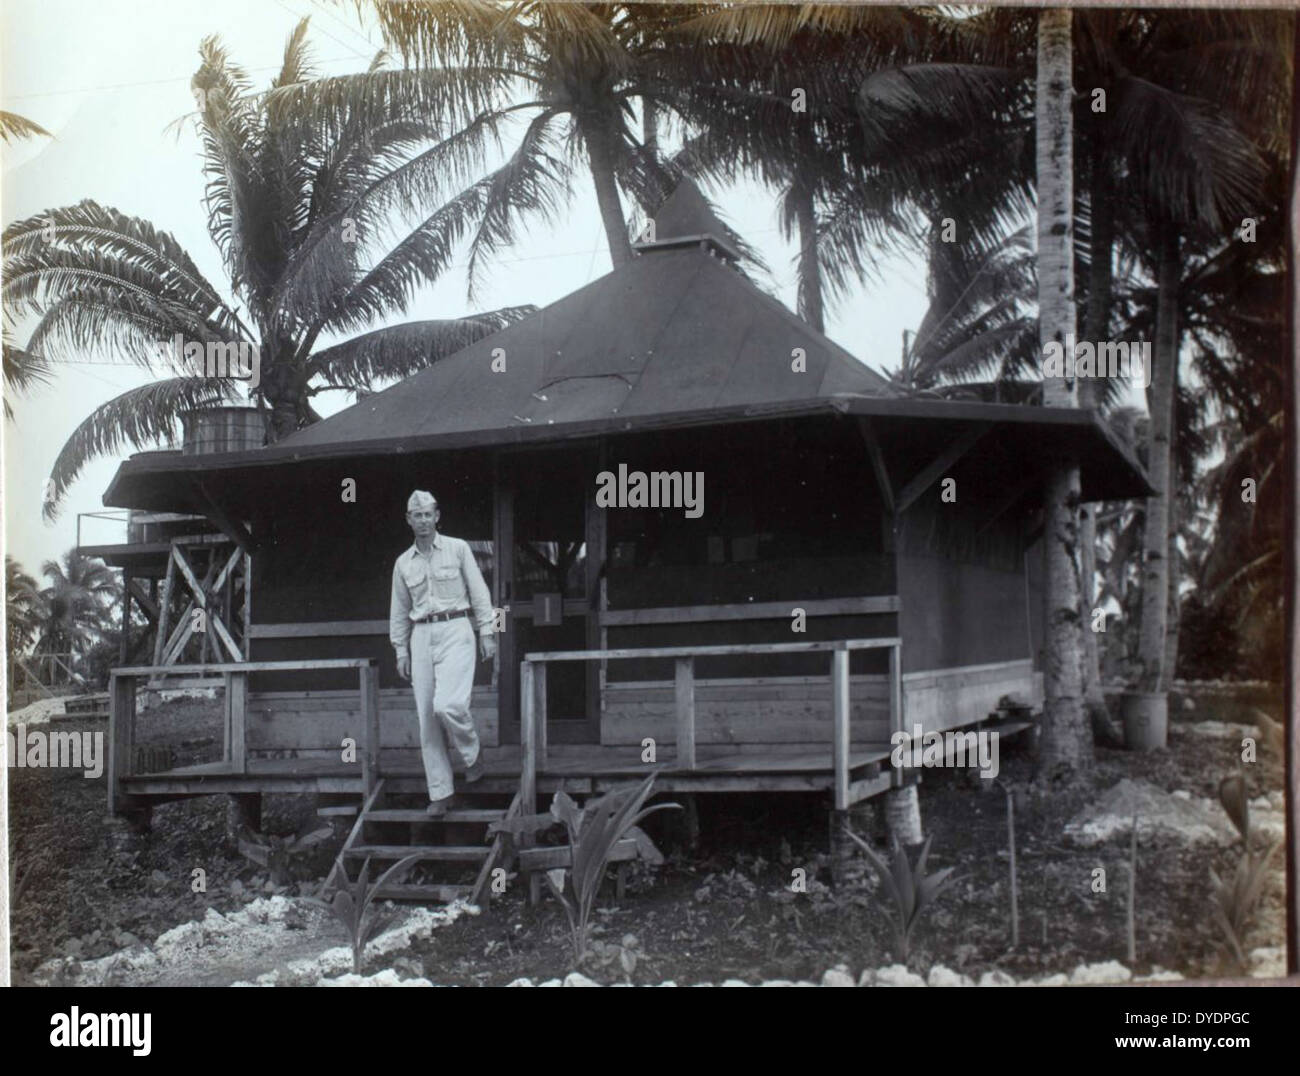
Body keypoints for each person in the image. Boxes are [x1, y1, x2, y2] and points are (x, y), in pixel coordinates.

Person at [389, 490, 497, 815]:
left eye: (427, 514)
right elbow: (399, 609)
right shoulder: (402, 564)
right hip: (420, 635)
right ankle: (440, 792)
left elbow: (480, 592)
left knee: (448, 705)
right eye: (416, 515)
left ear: (437, 516)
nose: (422, 520)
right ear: (408, 520)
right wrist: (400, 650)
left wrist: (487, 633)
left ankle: (472, 754)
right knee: (427, 717)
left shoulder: (458, 549)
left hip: (456, 629)